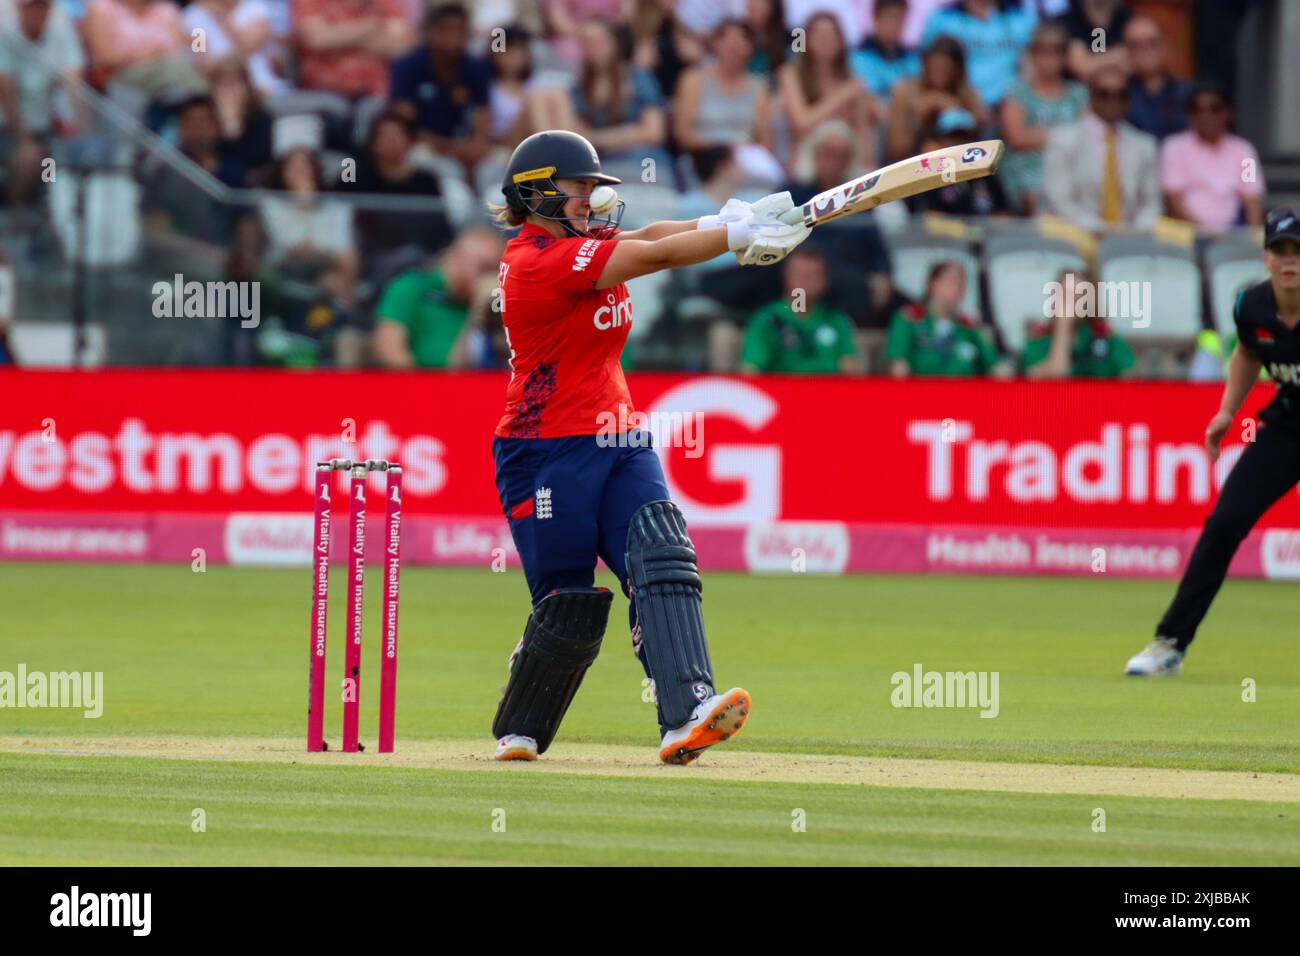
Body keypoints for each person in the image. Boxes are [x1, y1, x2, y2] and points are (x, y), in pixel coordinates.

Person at [487, 129, 809, 763]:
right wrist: (733, 241)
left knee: (661, 557)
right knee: (567, 605)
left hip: (619, 435)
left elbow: (651, 238)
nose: (590, 201)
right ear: (537, 193)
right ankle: (521, 719)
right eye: (578, 189)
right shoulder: (535, 261)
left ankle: (687, 711)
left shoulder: (582, 244)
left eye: (591, 189)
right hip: (543, 449)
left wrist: (722, 220)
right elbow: (653, 261)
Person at [1125, 210, 1300, 676]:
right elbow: (1247, 352)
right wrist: (1227, 411)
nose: (1290, 261)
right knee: (1225, 522)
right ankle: (1170, 643)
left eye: (1298, 252)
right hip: (1288, 427)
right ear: (1266, 258)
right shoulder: (1251, 307)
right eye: (1281, 251)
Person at [1042, 65, 1160, 232]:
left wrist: (1134, 233)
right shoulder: (1063, 140)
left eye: (1121, 95)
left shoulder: (1144, 145)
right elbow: (1059, 199)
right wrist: (1100, 231)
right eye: (1104, 94)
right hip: (1077, 237)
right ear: (1091, 96)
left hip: (1130, 239)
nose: (1113, 101)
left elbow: (1150, 203)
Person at [372, 228, 502, 369]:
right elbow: (389, 349)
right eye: (485, 268)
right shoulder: (412, 287)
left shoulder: (494, 306)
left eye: (498, 271)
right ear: (457, 260)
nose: (492, 279)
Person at [389, 2, 492, 175]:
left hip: (462, 147)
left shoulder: (477, 68)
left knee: (497, 163)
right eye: (446, 29)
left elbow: (482, 125)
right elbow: (406, 126)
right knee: (421, 158)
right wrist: (449, 147)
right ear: (431, 32)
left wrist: (470, 148)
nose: (452, 37)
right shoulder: (408, 66)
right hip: (423, 147)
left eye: (459, 30)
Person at [997, 19, 1086, 215]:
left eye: (1057, 49)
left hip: (1071, 167)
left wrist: (1040, 135)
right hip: (1030, 171)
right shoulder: (1017, 92)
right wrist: (1066, 134)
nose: (1050, 56)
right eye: (1042, 49)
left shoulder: (1078, 94)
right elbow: (1017, 138)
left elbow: (1087, 135)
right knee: (1041, 193)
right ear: (1032, 53)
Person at [778, 11, 880, 167]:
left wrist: (868, 166)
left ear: (841, 42)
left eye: (831, 34)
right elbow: (801, 123)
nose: (825, 40)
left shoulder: (851, 80)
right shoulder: (791, 74)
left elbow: (862, 131)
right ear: (806, 40)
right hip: (806, 160)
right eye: (818, 34)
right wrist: (841, 97)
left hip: (847, 161)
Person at [739, 247, 864, 374]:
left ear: (825, 280)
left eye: (814, 276)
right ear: (786, 277)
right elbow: (751, 369)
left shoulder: (836, 319)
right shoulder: (766, 319)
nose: (807, 281)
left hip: (827, 390)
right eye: (801, 275)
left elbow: (851, 368)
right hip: (781, 390)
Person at [1159, 84, 1264, 232]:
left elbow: (1252, 197)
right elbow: (1173, 200)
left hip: (1232, 234)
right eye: (1198, 110)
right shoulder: (1174, 148)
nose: (1206, 116)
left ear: (1227, 113)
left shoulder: (1245, 151)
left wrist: (1254, 239)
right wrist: (1206, 233)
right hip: (1186, 234)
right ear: (1190, 115)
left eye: (1214, 109)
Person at [885, 260, 1003, 377]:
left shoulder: (969, 327)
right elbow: (898, 366)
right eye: (951, 282)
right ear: (932, 284)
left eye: (961, 284)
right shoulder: (909, 320)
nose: (957, 289)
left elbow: (995, 366)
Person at [886, 34, 986, 161]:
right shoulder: (905, 93)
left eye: (945, 69)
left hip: (959, 162)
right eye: (935, 68)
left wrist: (957, 112)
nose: (939, 75)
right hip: (915, 164)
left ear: (957, 70)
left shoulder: (967, 95)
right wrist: (919, 119)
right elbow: (896, 151)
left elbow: (980, 135)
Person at [1022, 270, 1135, 378]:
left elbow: (1131, 377)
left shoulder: (1107, 340)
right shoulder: (1038, 343)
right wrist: (1063, 324)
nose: (1072, 303)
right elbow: (1056, 374)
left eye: (1078, 296)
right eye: (1065, 295)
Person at [1123, 13, 1189, 141]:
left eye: (1152, 43)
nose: (1145, 51)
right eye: (1136, 45)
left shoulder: (1187, 94)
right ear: (1127, 52)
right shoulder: (1117, 96)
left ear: (1164, 46)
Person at [850, 0, 919, 104]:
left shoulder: (912, 58)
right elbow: (863, 93)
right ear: (875, 17)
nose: (896, 24)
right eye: (891, 17)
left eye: (901, 19)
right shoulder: (857, 57)